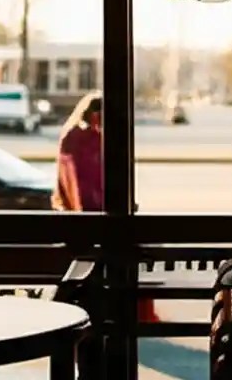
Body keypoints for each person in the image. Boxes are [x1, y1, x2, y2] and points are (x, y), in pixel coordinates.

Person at [53, 92, 160, 323]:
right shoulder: (83, 139)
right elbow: (83, 186)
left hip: (84, 221)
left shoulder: (77, 136)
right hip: (91, 223)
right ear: (94, 115)